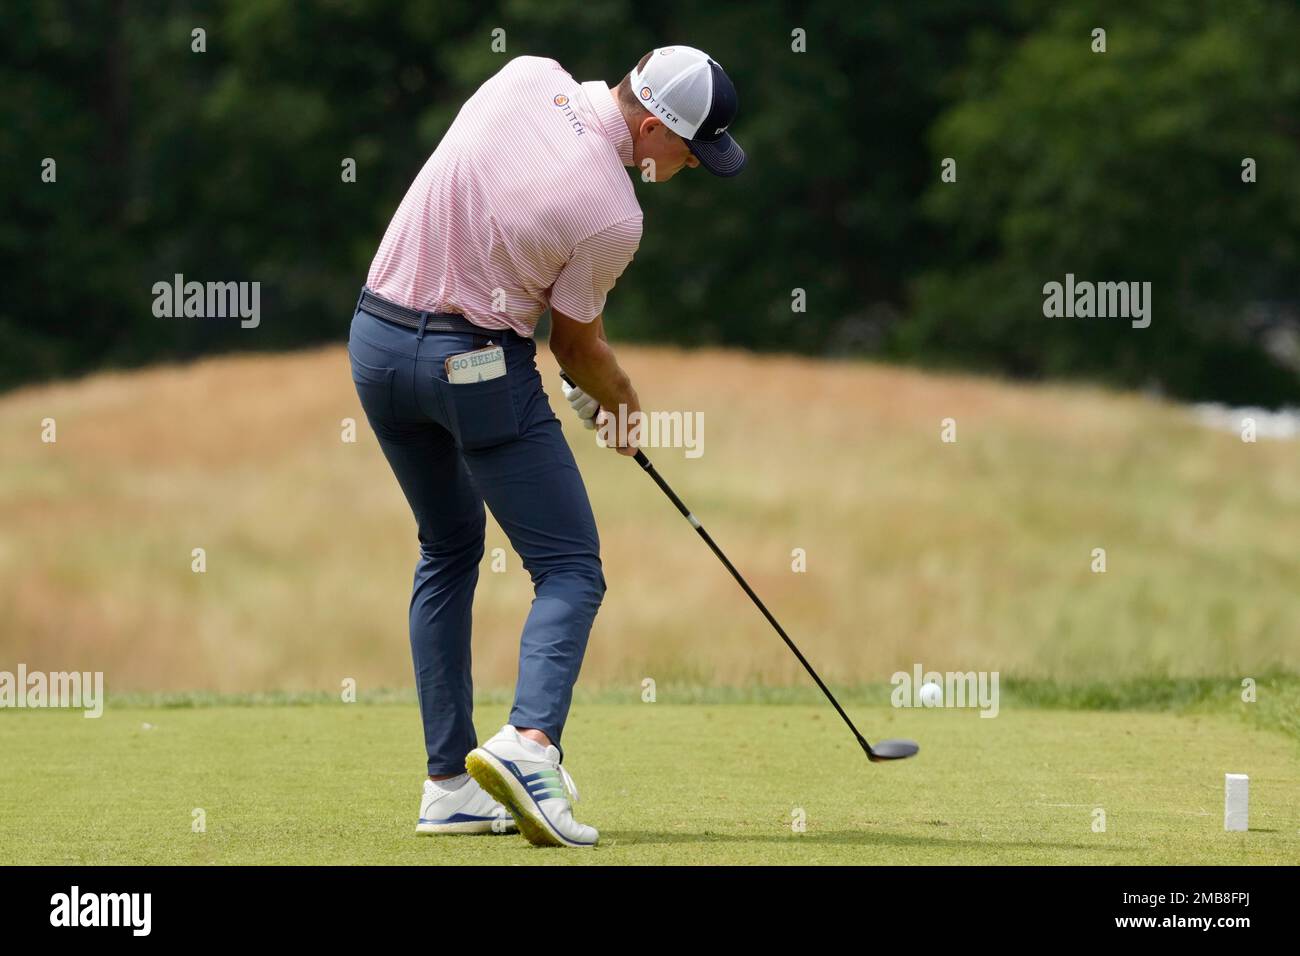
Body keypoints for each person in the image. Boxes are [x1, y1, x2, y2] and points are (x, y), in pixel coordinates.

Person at [348, 45, 745, 848]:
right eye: (691, 150)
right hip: (472, 366)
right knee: (570, 567)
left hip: (377, 346)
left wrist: (569, 371)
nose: (693, 167)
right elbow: (576, 347)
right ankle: (531, 747)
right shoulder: (616, 217)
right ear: (651, 123)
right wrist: (622, 404)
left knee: (448, 550)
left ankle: (448, 788)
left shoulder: (527, 72)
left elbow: (510, 232)